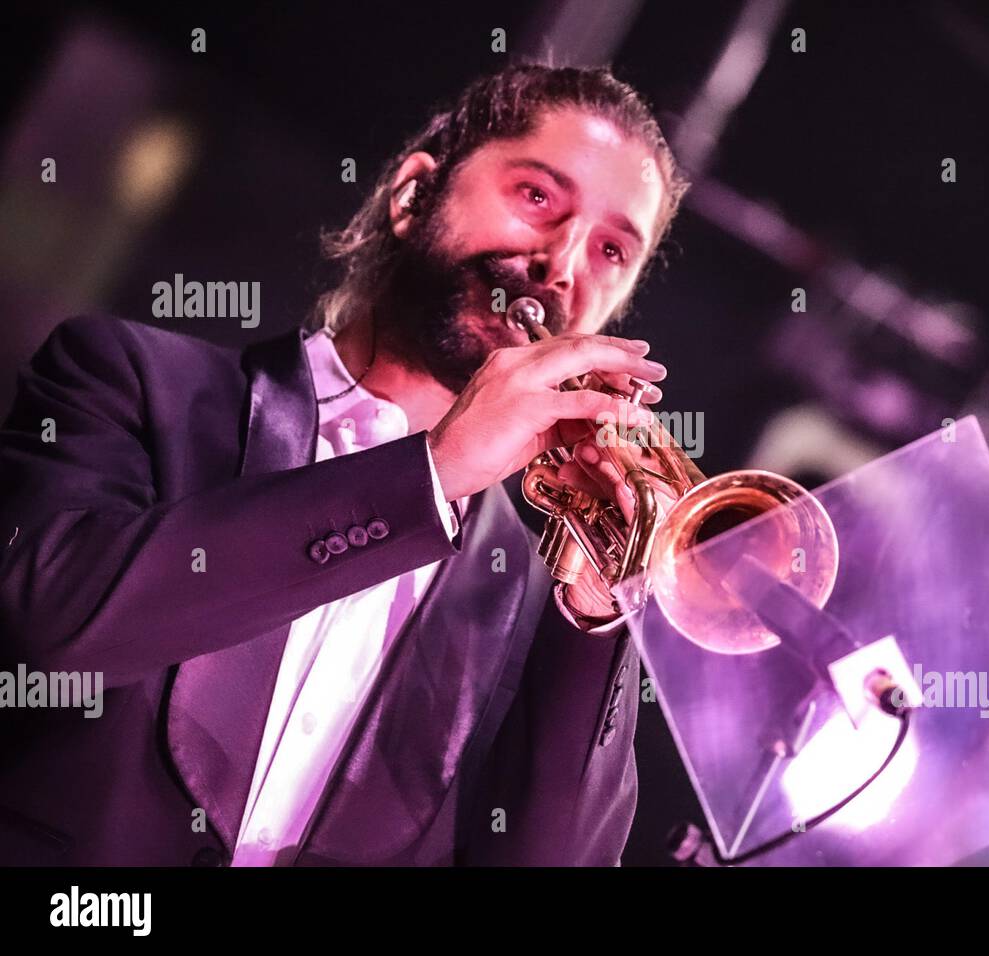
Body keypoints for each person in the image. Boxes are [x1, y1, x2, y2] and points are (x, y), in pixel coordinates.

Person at [0, 62, 691, 866]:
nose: (563, 265)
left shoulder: (533, 599)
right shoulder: (131, 380)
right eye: (537, 196)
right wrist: (430, 476)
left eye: (611, 249)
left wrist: (597, 615)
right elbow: (46, 630)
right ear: (411, 198)